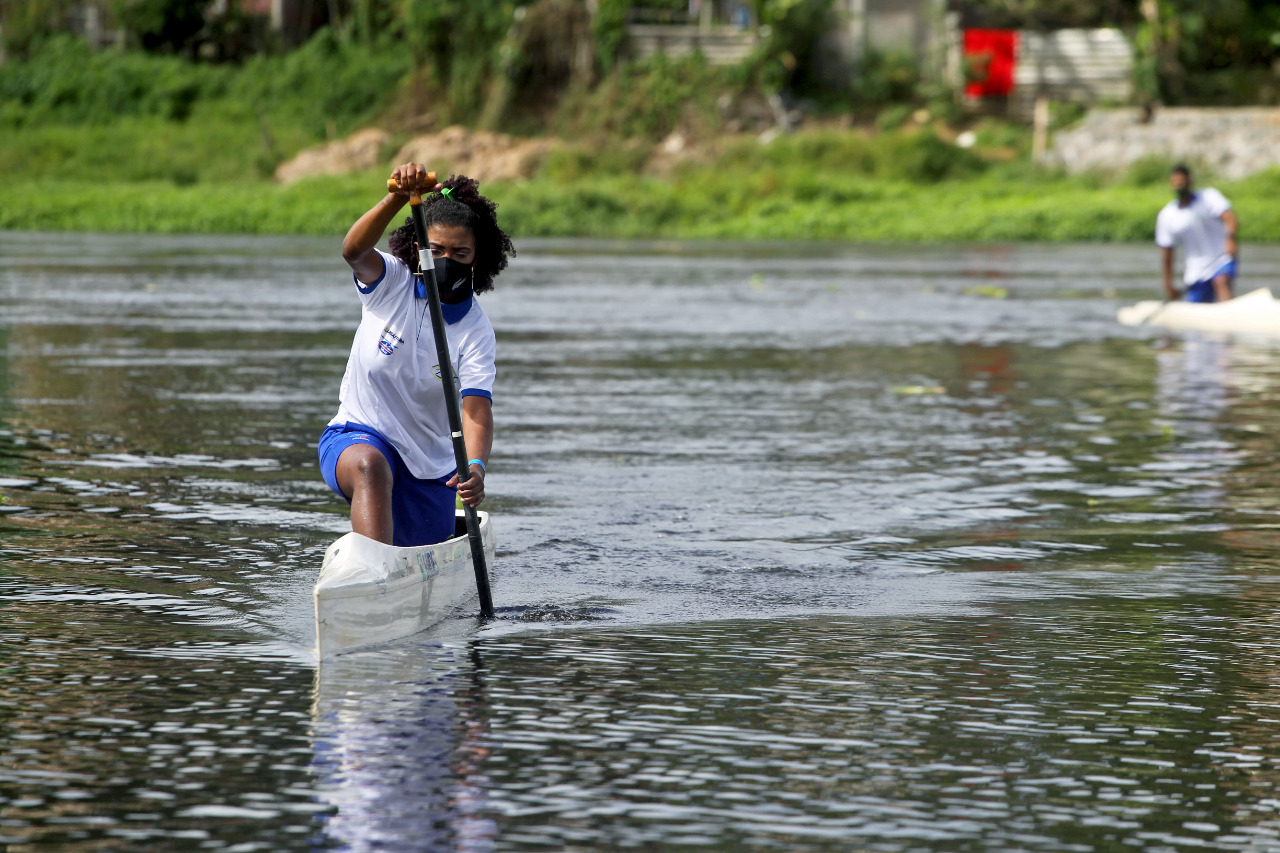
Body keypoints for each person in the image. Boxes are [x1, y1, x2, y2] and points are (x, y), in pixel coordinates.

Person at [317, 163, 515, 547]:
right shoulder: (390, 283)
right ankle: (374, 574)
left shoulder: (475, 330)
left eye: (460, 252)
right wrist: (396, 197)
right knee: (369, 466)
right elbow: (353, 250)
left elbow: (475, 410)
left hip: (430, 467)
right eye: (435, 249)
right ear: (417, 249)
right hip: (358, 435)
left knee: (418, 550)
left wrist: (475, 467)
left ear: (477, 258)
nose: (446, 260)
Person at [1155, 164, 1239, 303]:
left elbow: (1230, 218)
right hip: (1196, 271)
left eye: (1182, 182)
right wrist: (1168, 283)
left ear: (1190, 182)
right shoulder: (1167, 215)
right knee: (1198, 303)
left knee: (1221, 282)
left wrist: (1230, 239)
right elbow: (1167, 252)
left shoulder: (1209, 197)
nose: (1180, 186)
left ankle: (1231, 315)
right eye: (1176, 183)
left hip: (1221, 257)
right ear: (1171, 184)